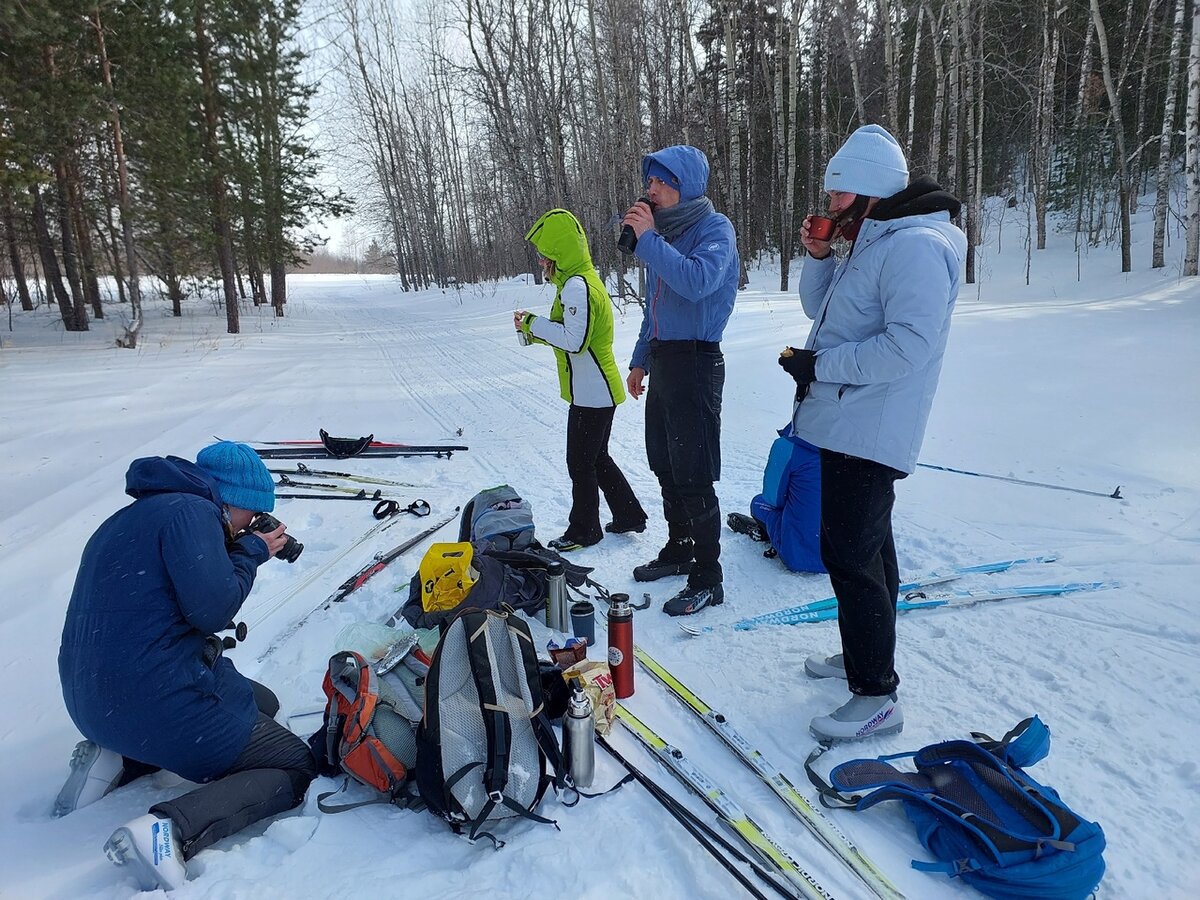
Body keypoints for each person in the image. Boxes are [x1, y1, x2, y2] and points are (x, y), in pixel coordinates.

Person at [55, 441, 316, 891]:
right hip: (155, 700)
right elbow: (213, 610)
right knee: (295, 763)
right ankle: (169, 832)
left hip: (93, 704)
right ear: (230, 501)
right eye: (250, 516)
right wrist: (250, 552)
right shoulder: (193, 515)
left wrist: (236, 547)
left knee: (264, 702)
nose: (248, 526)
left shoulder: (125, 518)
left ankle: (116, 757)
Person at [782, 124, 966, 742]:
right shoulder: (873, 240)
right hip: (848, 421)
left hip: (873, 425)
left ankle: (876, 695)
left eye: (836, 198)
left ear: (865, 193)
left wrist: (820, 367)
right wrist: (818, 257)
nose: (828, 207)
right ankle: (866, 657)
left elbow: (909, 345)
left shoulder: (914, 246)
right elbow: (822, 311)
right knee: (869, 549)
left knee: (849, 554)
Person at [621, 145, 738, 616]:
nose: (650, 191)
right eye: (650, 182)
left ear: (684, 186)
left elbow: (697, 282)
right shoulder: (663, 236)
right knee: (664, 463)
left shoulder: (715, 229)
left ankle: (709, 576)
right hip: (665, 360)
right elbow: (656, 309)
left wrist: (649, 240)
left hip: (697, 361)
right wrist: (639, 360)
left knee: (693, 472)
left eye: (661, 183)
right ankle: (680, 545)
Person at [515, 208, 647, 551]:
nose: (543, 262)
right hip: (593, 390)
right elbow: (572, 335)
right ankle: (630, 515)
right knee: (596, 457)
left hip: (594, 393)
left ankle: (584, 531)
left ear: (560, 253)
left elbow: (575, 341)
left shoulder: (577, 286)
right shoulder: (578, 281)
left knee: (580, 462)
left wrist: (532, 323)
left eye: (546, 256)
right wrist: (536, 331)